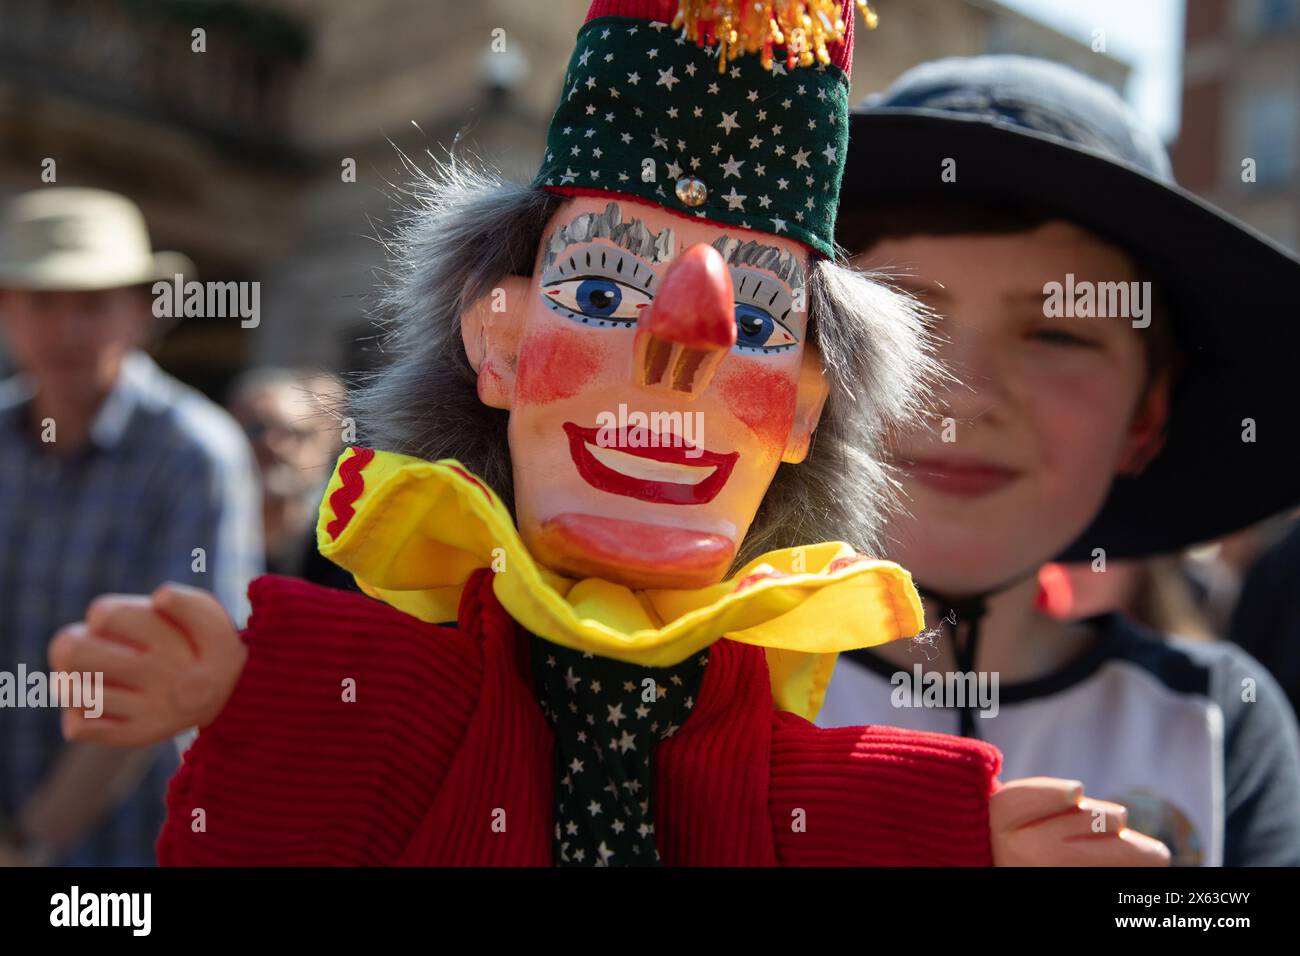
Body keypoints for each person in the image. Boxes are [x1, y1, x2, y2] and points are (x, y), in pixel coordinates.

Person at [50, 1, 1168, 867]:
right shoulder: (427, 651)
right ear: (496, 343)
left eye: (760, 321)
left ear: (804, 407)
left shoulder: (753, 681)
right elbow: (390, 710)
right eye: (595, 298)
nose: (682, 347)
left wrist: (966, 832)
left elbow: (785, 803)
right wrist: (233, 685)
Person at [821, 55, 1300, 866]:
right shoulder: (675, 674)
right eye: (904, 317)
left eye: (1057, 334)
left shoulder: (1217, 722)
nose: (965, 396)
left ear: (1145, 417)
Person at [0, 187, 262, 865]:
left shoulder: (195, 454)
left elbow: (165, 681)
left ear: (143, 313)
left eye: (92, 303)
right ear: (6, 311)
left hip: (129, 846)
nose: (67, 330)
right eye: (40, 301)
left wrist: (31, 844)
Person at [226, 366, 351, 588]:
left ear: (323, 445)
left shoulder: (348, 552)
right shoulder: (201, 538)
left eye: (295, 433)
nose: (274, 445)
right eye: (257, 430)